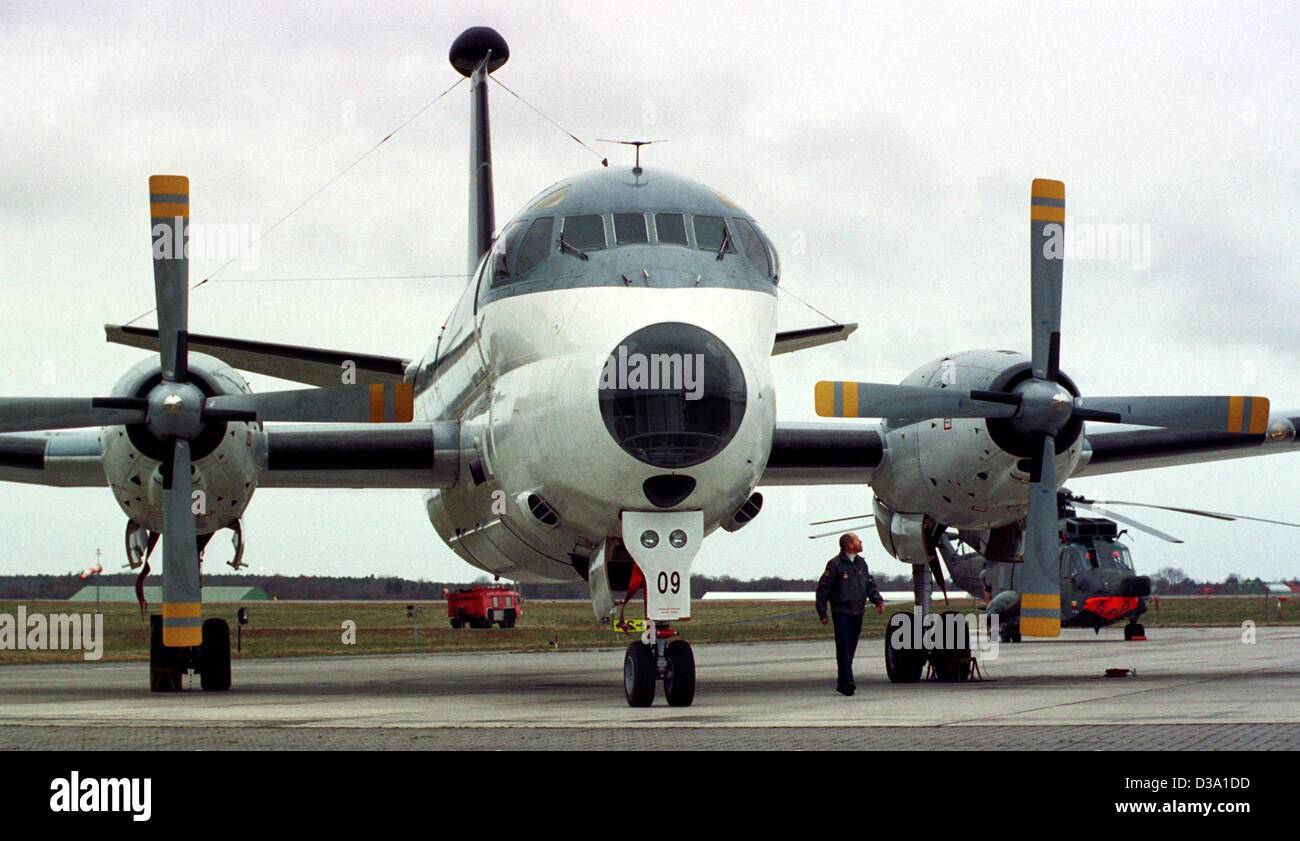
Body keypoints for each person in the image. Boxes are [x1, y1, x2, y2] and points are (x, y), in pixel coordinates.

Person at [815, 532, 885, 696]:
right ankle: (848, 683)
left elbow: (870, 584)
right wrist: (822, 612)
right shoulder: (835, 565)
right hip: (841, 612)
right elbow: (823, 589)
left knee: (851, 647)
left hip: (858, 611)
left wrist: (877, 601)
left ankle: (842, 681)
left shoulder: (862, 564)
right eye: (857, 541)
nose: (861, 543)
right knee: (844, 647)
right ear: (849, 545)